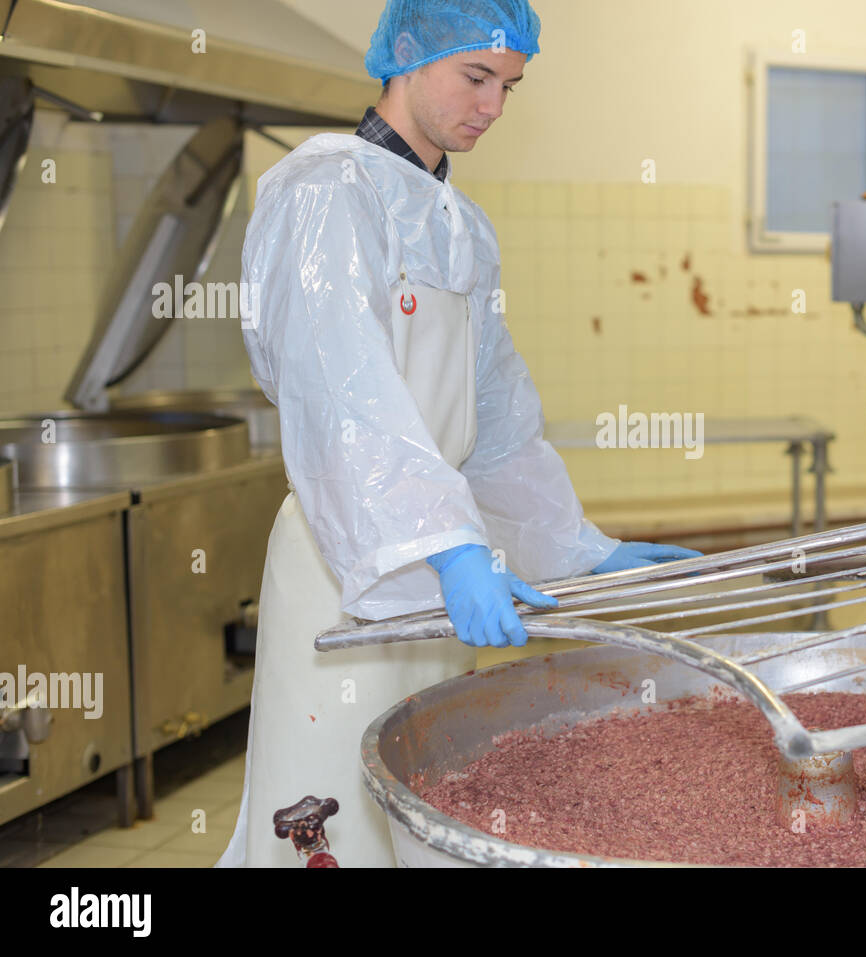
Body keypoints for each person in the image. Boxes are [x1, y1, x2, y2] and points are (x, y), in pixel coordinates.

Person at [217, 0, 699, 867]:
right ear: (405, 54)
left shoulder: (457, 224)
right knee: (326, 820)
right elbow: (342, 397)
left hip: (444, 573)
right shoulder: (326, 192)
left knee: (424, 811)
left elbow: (498, 423)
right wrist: (444, 543)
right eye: (476, 77)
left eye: (509, 87)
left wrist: (576, 547)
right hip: (350, 563)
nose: (492, 107)